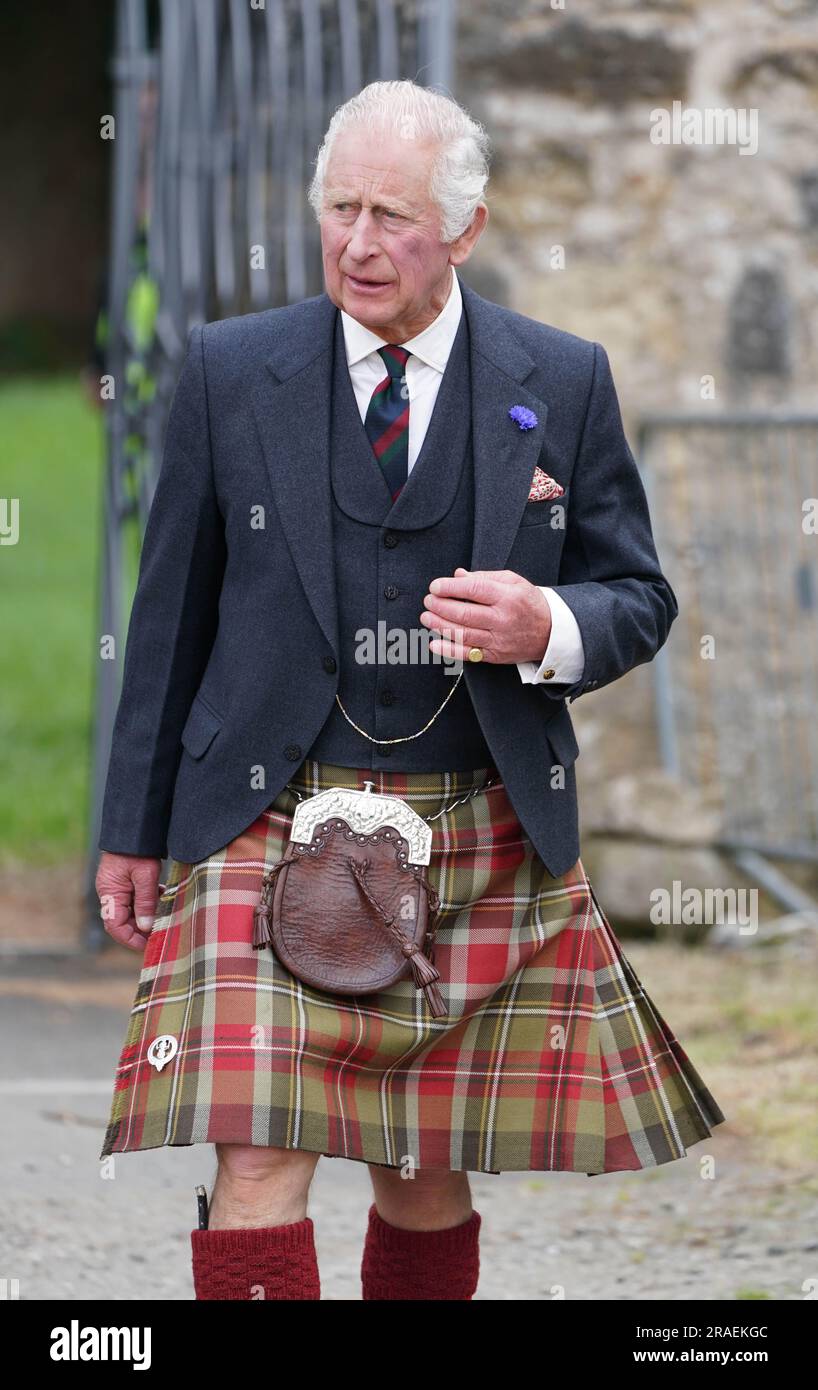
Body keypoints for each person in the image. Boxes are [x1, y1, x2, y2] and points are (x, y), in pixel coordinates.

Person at [95, 79, 725, 1302]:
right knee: (260, 1150)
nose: (358, 243)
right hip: (263, 812)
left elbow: (635, 594)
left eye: (394, 215)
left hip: (468, 820)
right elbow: (166, 617)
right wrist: (132, 829)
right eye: (340, 208)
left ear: (466, 229)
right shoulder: (234, 370)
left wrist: (545, 621)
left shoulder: (561, 377)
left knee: (418, 1166)